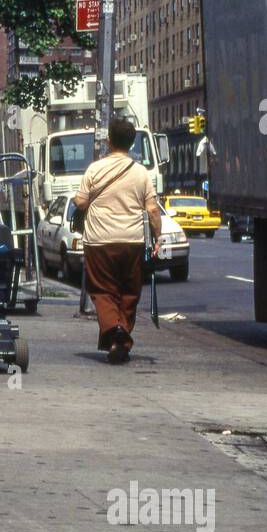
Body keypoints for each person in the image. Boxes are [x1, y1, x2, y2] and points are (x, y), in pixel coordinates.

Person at [71, 118, 162, 364]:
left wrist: (82, 201)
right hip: (132, 240)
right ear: (132, 143)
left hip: (99, 240)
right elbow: (152, 209)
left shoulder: (94, 169)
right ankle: (119, 339)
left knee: (103, 290)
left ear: (109, 140)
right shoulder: (141, 172)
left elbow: (80, 202)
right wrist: (157, 238)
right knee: (129, 292)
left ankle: (115, 329)